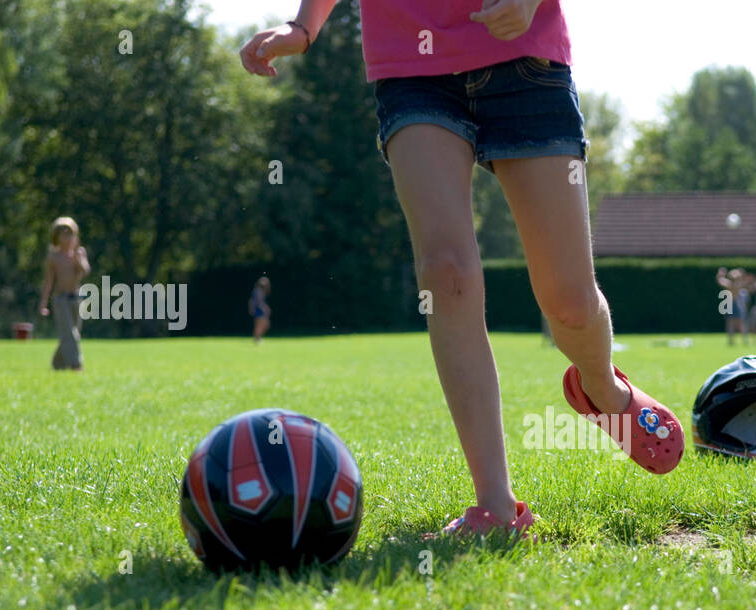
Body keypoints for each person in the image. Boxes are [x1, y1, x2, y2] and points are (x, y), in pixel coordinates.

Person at [240, 1, 684, 540]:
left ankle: (605, 392)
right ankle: (496, 507)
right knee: (445, 273)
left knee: (568, 300)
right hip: (412, 69)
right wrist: (304, 26)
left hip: (526, 61)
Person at [39, 216, 90, 371]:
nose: (67, 238)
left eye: (70, 234)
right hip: (61, 299)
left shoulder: (79, 253)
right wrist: (43, 303)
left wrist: (79, 260)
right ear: (57, 237)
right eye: (63, 234)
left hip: (76, 298)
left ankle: (57, 364)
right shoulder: (53, 257)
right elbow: (49, 281)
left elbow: (86, 271)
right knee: (70, 334)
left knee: (72, 335)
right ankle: (76, 365)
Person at [249, 276, 272, 343]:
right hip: (259, 310)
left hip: (260, 310)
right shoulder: (257, 290)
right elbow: (257, 301)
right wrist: (265, 308)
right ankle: (256, 339)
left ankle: (257, 338)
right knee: (260, 325)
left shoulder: (262, 291)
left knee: (265, 325)